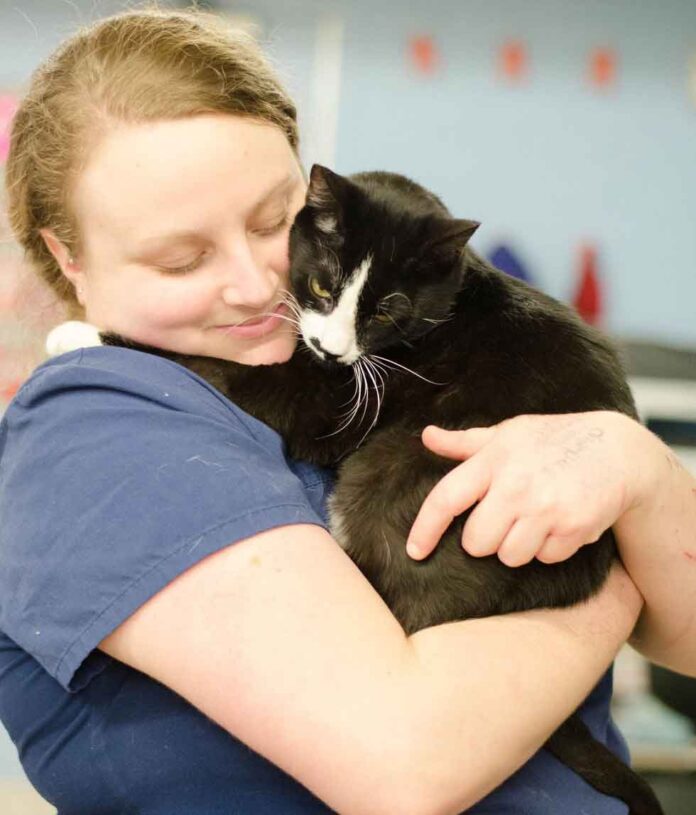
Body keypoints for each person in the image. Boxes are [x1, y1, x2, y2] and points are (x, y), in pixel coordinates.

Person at [0, 8, 692, 814]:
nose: (258, 284)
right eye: (182, 258)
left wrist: (634, 464)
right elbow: (404, 768)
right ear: (66, 256)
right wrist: (615, 584)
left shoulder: (339, 350)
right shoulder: (97, 422)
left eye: (273, 221)